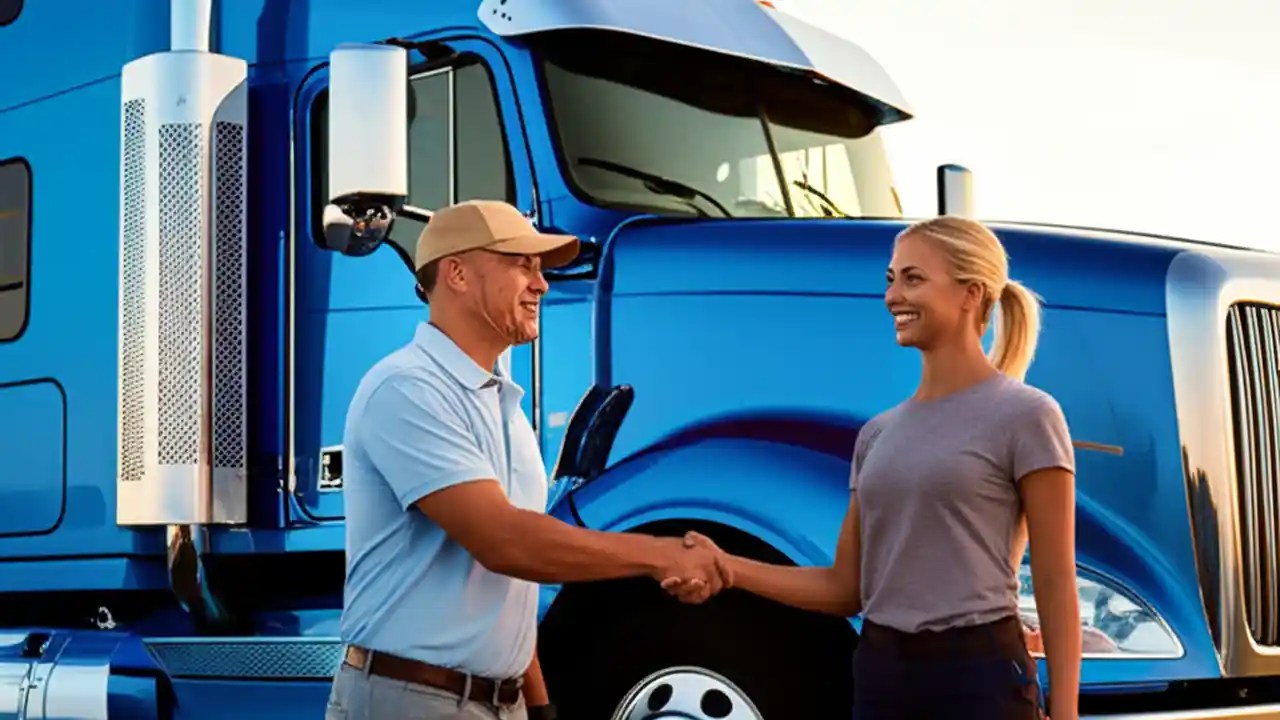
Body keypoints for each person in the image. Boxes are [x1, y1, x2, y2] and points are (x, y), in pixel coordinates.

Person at [325, 199, 731, 720]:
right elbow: (505, 542)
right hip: (411, 700)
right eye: (522, 265)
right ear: (457, 274)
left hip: (500, 700)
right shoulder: (407, 389)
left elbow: (513, 582)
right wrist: (660, 555)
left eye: (540, 269)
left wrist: (537, 703)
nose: (541, 285)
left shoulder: (502, 406)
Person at [666, 216, 1082, 719]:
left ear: (970, 294)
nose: (892, 297)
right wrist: (728, 567)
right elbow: (845, 589)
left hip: (979, 679)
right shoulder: (877, 435)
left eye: (913, 278)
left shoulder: (1028, 415)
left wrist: (1066, 714)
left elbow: (1056, 583)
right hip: (882, 676)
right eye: (890, 280)